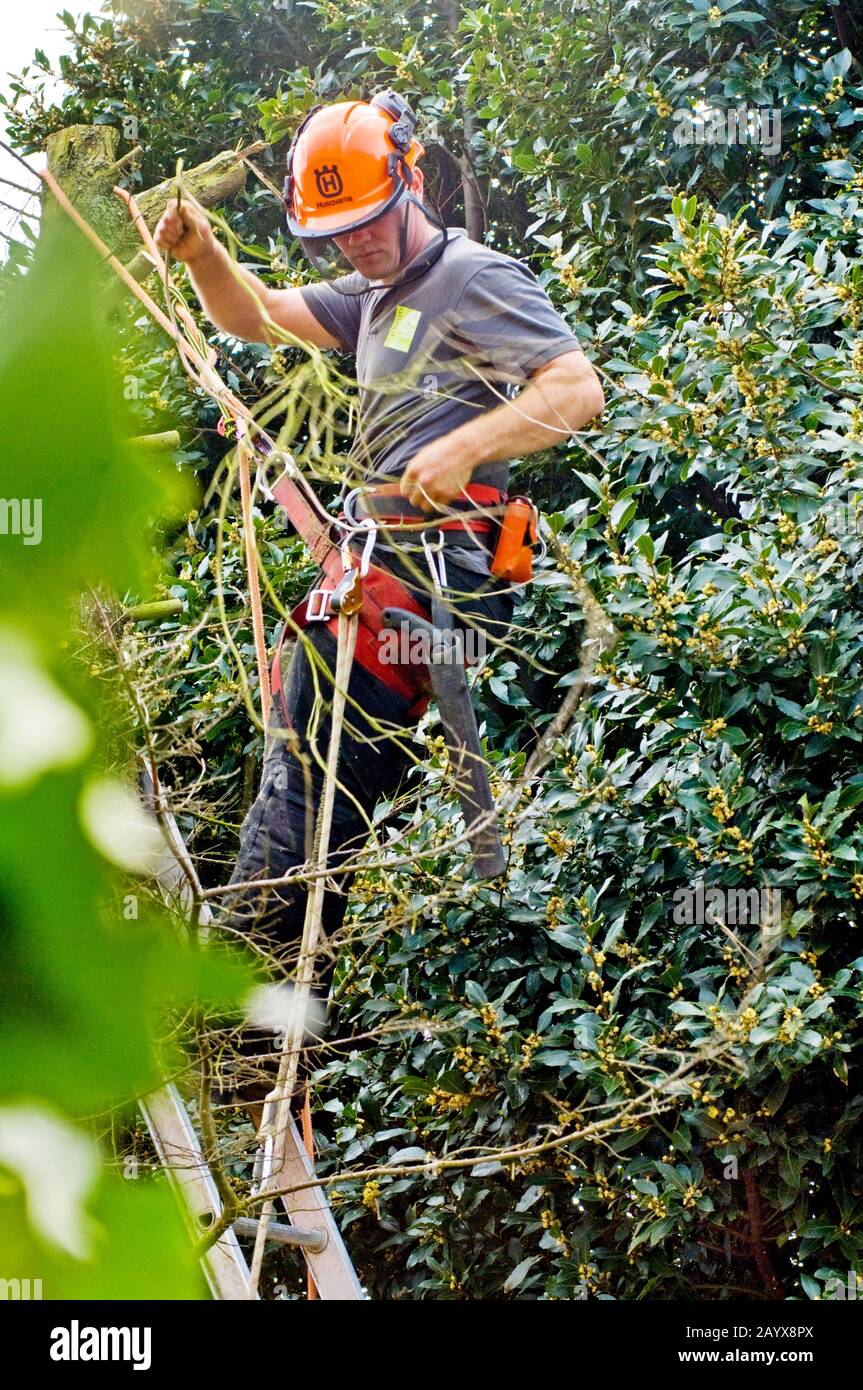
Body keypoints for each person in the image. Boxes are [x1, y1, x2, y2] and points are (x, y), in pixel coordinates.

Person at [155, 90, 604, 1095]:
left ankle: (217, 1040)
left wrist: (465, 443)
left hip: (432, 585)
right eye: (335, 233)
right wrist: (199, 255)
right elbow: (257, 316)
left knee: (299, 799)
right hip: (386, 584)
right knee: (319, 810)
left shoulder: (469, 277)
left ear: (408, 181)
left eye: (364, 223)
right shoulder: (373, 304)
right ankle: (275, 1047)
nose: (352, 246)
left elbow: (575, 388)